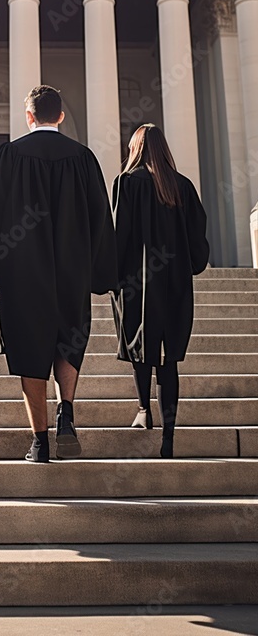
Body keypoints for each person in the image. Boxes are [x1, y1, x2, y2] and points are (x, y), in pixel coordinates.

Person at [0, 85, 117, 463]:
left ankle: (39, 441)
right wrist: (101, 272)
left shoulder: (8, 156)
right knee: (68, 339)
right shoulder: (83, 158)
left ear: (29, 116)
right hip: (71, 271)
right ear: (60, 116)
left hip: (23, 275)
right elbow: (100, 219)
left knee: (29, 348)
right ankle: (66, 414)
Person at [112, 124, 209, 458]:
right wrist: (191, 265)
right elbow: (198, 242)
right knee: (169, 363)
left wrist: (112, 278)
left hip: (138, 286)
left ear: (135, 149)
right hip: (176, 285)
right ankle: (168, 435)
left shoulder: (126, 184)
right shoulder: (183, 187)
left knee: (142, 350)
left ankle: (143, 410)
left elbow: (119, 237)